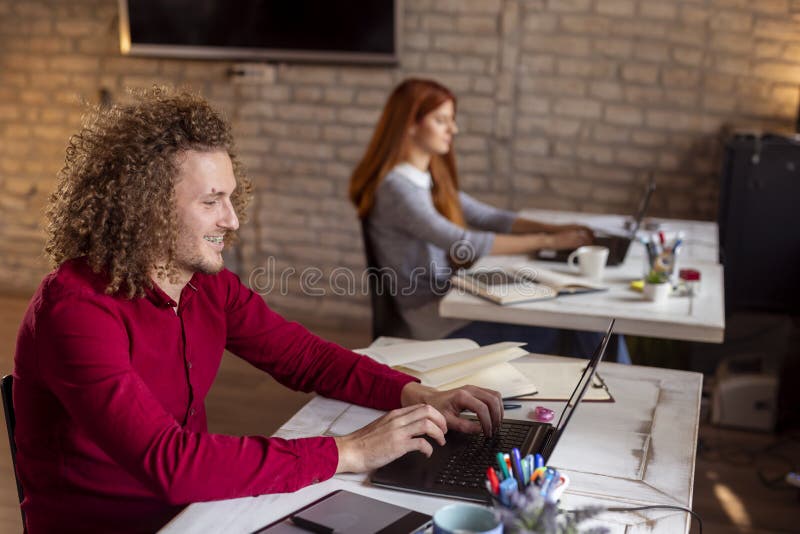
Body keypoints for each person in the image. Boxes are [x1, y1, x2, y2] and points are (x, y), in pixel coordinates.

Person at [12, 87, 503, 533]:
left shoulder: (209, 285)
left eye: (230, 197)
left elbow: (305, 358)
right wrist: (349, 451)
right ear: (146, 208)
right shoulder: (74, 310)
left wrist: (416, 393)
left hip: (197, 512)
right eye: (211, 202)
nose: (233, 219)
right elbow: (172, 463)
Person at [349, 78, 629, 361]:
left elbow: (487, 216)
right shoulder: (397, 189)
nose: (453, 129)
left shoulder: (427, 178)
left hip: (452, 301)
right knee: (586, 327)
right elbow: (462, 241)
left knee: (592, 325)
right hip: (435, 322)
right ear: (410, 124)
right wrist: (550, 241)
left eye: (452, 120)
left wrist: (556, 229)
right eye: (441, 120)